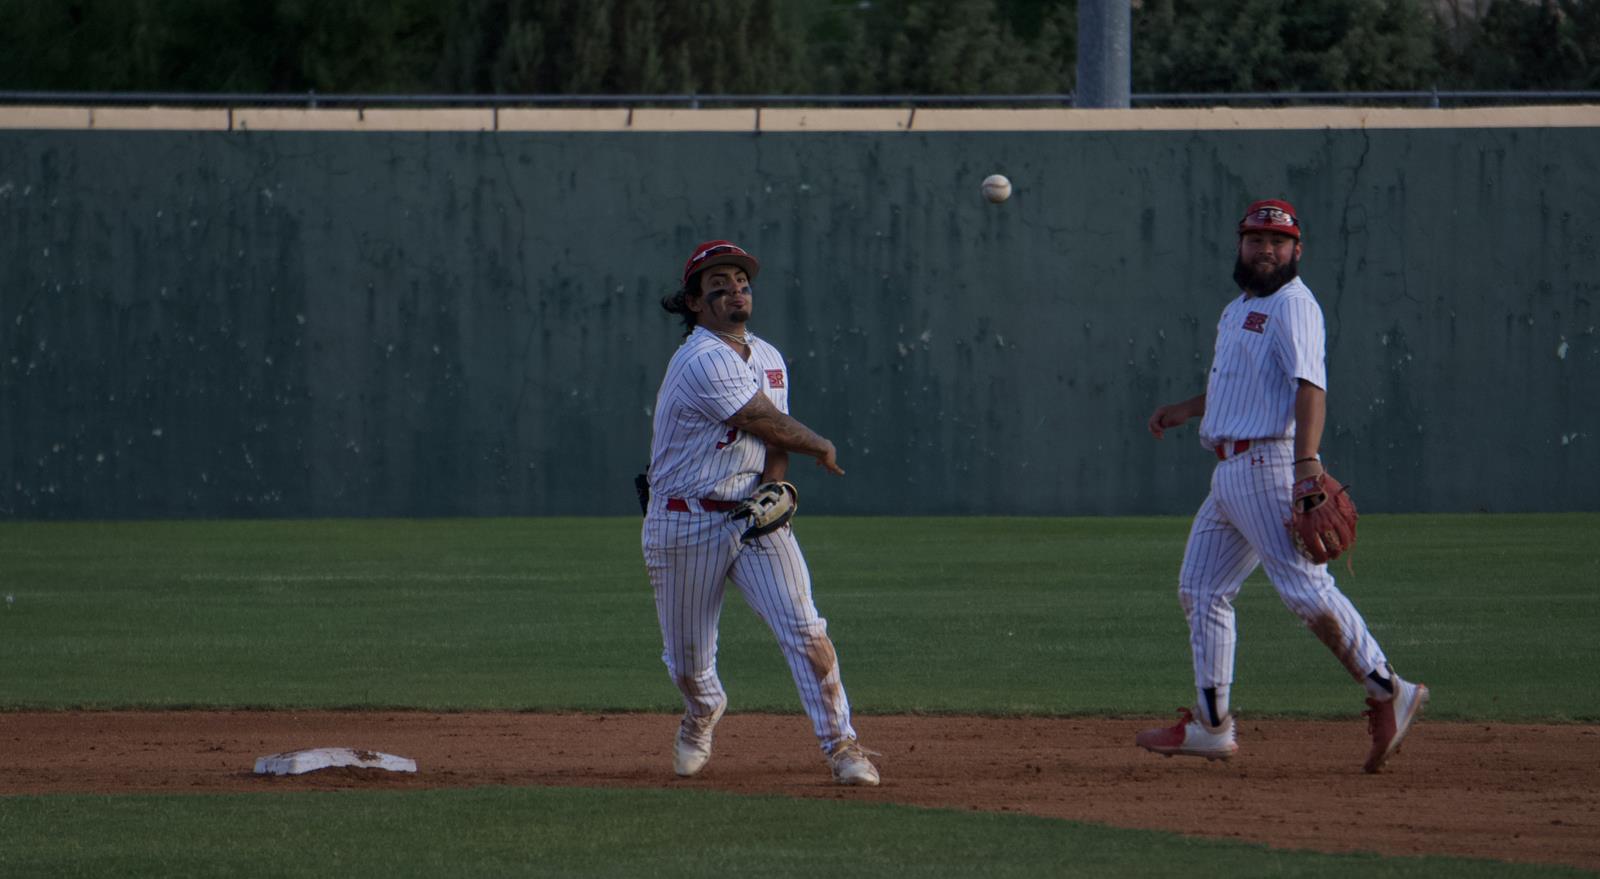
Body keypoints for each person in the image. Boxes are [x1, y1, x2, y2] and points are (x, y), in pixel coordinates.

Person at [1137, 200, 1429, 773]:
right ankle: (1211, 726)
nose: (1266, 250)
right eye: (1256, 240)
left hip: (1269, 462)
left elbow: (1308, 386)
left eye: (1278, 241)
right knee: (1201, 590)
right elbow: (1239, 388)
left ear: (1298, 250)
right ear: (1240, 245)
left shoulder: (1295, 305)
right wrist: (1186, 410)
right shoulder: (1239, 309)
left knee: (1304, 589)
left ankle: (1388, 689)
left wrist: (1307, 465)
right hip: (1231, 472)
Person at [639, 239, 880, 786]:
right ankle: (703, 710)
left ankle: (842, 745)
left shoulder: (768, 356)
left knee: (805, 629)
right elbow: (759, 418)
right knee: (688, 662)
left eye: (741, 282)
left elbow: (775, 439)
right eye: (718, 285)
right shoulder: (701, 358)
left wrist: (774, 487)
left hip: (751, 517)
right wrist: (821, 445)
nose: (735, 291)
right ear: (694, 303)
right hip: (683, 520)